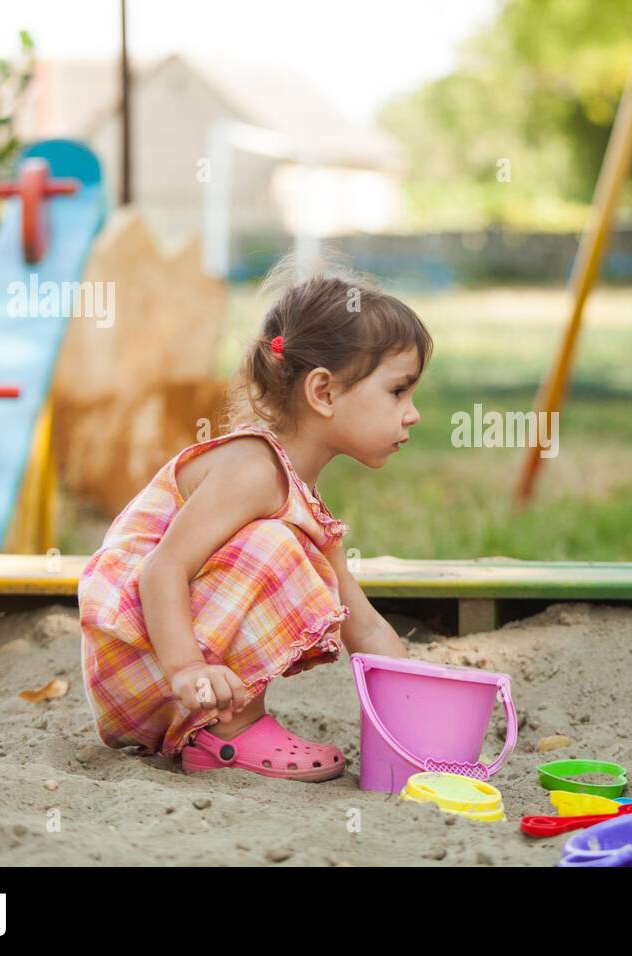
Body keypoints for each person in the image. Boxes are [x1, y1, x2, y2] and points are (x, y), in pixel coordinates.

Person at [79, 267, 431, 781]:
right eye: (398, 391)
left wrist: (419, 710)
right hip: (143, 654)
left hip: (171, 661)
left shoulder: (299, 498)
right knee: (276, 545)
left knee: (302, 553)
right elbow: (161, 571)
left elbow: (365, 623)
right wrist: (188, 671)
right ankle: (226, 733)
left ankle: (220, 725)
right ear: (325, 394)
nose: (413, 413)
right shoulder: (252, 470)